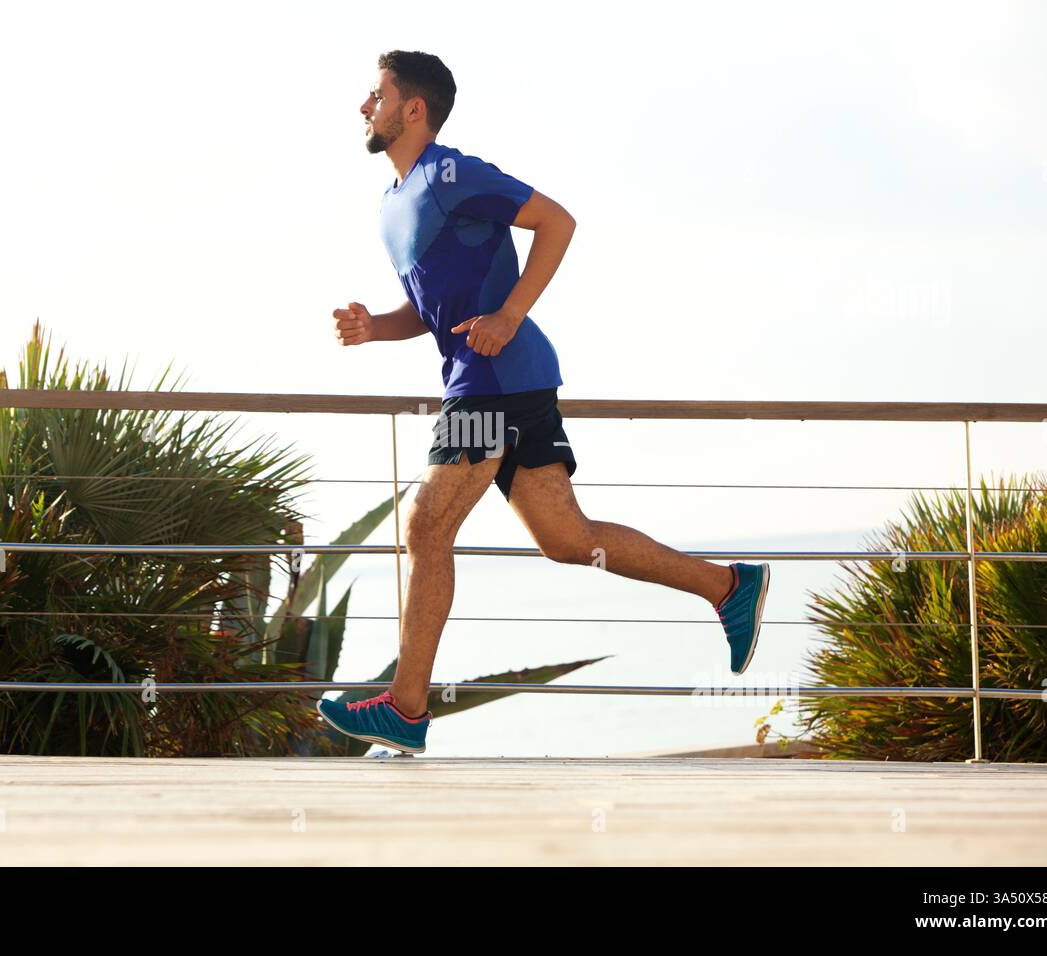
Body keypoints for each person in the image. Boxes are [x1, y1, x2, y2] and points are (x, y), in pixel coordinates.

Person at [319, 50, 770, 754]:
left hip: (493, 376)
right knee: (566, 539)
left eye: (375, 94)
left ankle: (405, 709)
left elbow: (557, 222)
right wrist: (377, 327)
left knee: (426, 525)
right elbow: (428, 307)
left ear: (414, 109)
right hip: (502, 376)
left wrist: (510, 315)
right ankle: (728, 586)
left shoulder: (454, 173)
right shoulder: (393, 204)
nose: (362, 106)